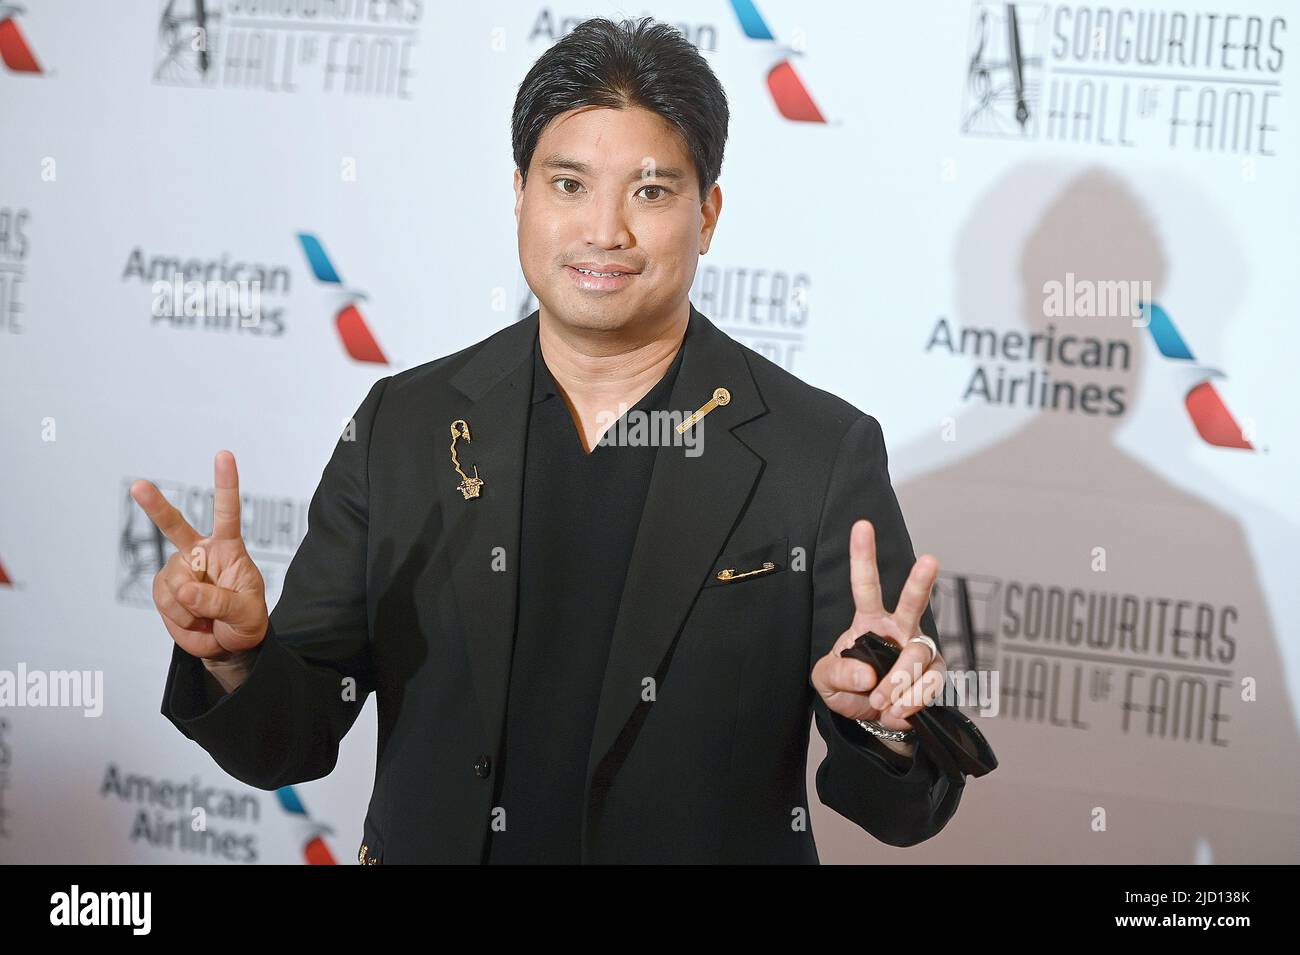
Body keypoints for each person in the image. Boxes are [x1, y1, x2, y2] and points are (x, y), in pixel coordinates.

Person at [130, 16, 964, 864]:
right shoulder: (403, 426)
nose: (605, 230)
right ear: (520, 193)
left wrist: (892, 728)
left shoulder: (817, 454)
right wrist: (236, 657)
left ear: (706, 215)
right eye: (569, 186)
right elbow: (289, 741)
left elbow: (899, 809)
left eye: (650, 191)